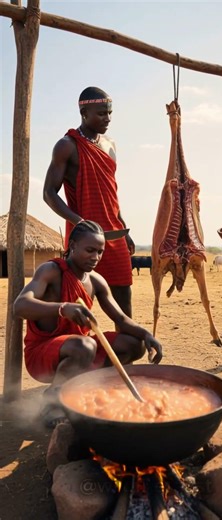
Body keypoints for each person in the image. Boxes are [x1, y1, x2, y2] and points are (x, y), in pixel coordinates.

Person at [14, 220, 163, 428]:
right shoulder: (51, 271)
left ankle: (87, 387)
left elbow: (120, 319)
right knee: (85, 345)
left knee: (134, 344)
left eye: (100, 252)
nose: (96, 257)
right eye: (90, 250)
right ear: (73, 245)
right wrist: (62, 308)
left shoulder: (96, 280)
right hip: (44, 355)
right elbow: (19, 306)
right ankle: (52, 402)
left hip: (83, 350)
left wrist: (146, 334)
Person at [43, 86, 135, 318]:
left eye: (109, 113)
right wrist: (80, 223)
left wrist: (124, 230)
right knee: (80, 300)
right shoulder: (67, 145)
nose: (108, 119)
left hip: (114, 234)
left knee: (124, 299)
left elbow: (111, 192)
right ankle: (79, 352)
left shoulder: (110, 144)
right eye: (101, 113)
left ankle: (127, 351)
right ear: (84, 113)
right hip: (83, 238)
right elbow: (49, 193)